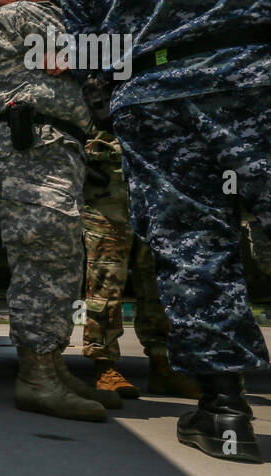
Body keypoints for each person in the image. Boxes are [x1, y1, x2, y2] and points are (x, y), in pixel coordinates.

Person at [59, 0, 271, 464]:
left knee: (191, 249)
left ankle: (224, 414)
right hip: (247, 73)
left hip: (150, 99)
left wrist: (115, 104)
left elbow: (84, 51)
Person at [0, 0, 114, 422]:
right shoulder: (15, 15)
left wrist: (75, 57)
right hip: (32, 144)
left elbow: (85, 56)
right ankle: (36, 377)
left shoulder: (34, 22)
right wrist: (85, 53)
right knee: (44, 253)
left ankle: (51, 364)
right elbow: (113, 53)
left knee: (60, 254)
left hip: (51, 147)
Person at [81, 131, 201, 398]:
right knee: (106, 278)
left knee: (159, 279)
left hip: (154, 187)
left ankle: (163, 366)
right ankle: (105, 367)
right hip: (107, 190)